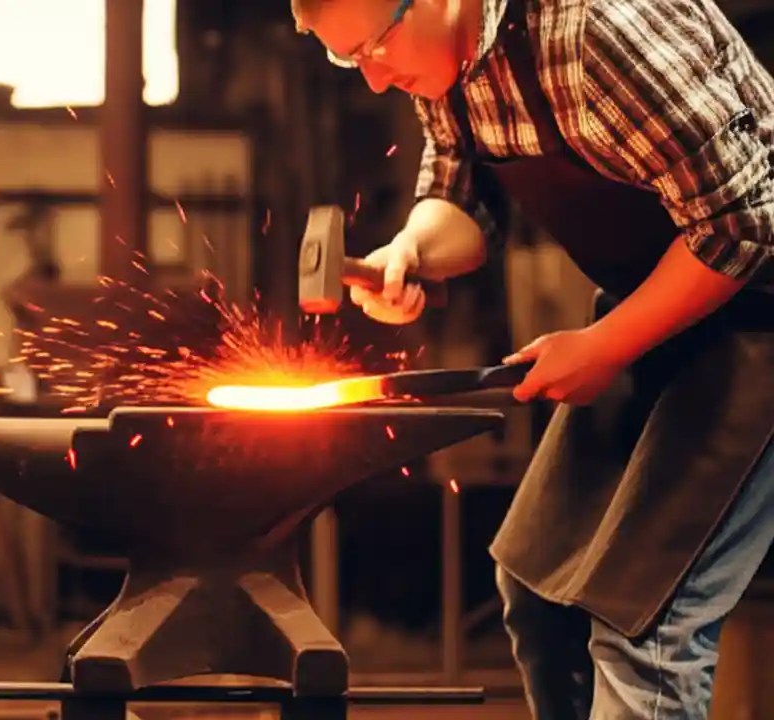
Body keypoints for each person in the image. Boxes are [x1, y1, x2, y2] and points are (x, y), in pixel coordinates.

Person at [291, 0, 774, 718]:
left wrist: (605, 346)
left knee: (644, 625)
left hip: (760, 307)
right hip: (661, 305)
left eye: (376, 46)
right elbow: (459, 194)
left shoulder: (596, 30)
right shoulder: (446, 63)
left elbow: (745, 223)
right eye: (348, 57)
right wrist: (411, 251)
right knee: (540, 595)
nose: (374, 80)